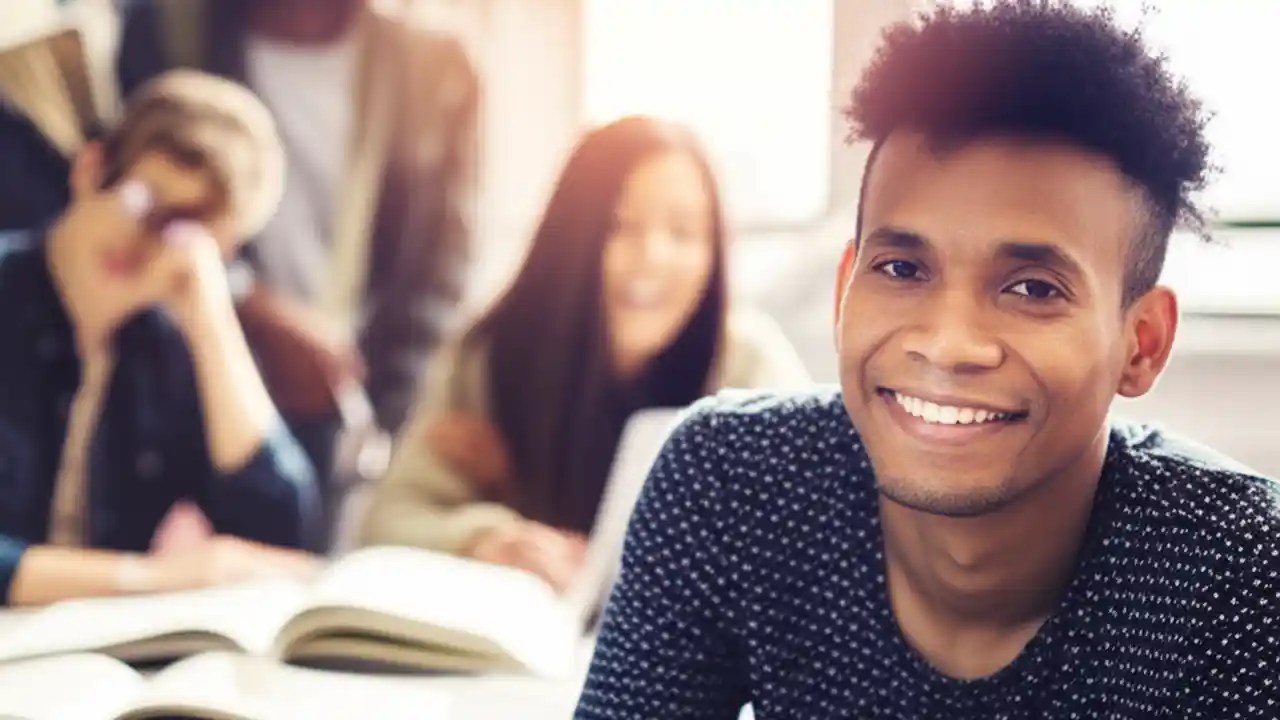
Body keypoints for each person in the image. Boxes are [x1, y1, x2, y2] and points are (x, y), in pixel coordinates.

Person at [577, 4, 1280, 718]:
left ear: (1143, 343)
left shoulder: (1242, 568)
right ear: (845, 287)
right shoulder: (732, 481)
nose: (946, 344)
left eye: (1033, 289)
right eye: (903, 269)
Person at [359, 117, 809, 592]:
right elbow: (386, 522)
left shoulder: (749, 366)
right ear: (572, 239)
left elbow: (822, 534)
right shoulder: (491, 358)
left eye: (683, 233)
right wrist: (489, 537)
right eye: (620, 226)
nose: (651, 255)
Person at [115, 0, 478, 542]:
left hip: (347, 407)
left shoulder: (435, 68)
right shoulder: (170, 30)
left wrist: (385, 420)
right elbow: (133, 197)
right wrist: (247, 303)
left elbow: (434, 280)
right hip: (182, 377)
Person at [0, 70, 320, 607]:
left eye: (182, 230)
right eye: (141, 203)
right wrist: (149, 579)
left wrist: (212, 318)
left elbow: (277, 533)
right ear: (90, 169)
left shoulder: (167, 347)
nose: (143, 242)